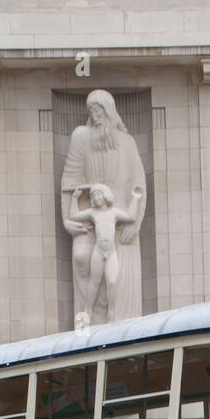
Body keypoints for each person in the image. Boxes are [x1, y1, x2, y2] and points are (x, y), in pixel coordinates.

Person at [60, 90, 147, 326]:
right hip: (91, 218)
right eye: (91, 112)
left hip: (121, 221)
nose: (95, 116)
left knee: (117, 280)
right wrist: (67, 219)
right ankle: (85, 321)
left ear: (108, 111)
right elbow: (69, 181)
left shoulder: (127, 142)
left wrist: (135, 224)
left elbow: (139, 184)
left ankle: (120, 328)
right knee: (82, 258)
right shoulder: (81, 137)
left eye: (98, 111)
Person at [67, 183, 144, 324]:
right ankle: (87, 311)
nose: (96, 198)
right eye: (93, 196)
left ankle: (111, 314)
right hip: (98, 251)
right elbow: (74, 215)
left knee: (112, 281)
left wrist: (135, 198)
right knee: (94, 282)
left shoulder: (113, 212)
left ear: (105, 195)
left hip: (111, 252)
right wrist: (75, 198)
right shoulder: (92, 213)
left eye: (98, 194)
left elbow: (131, 217)